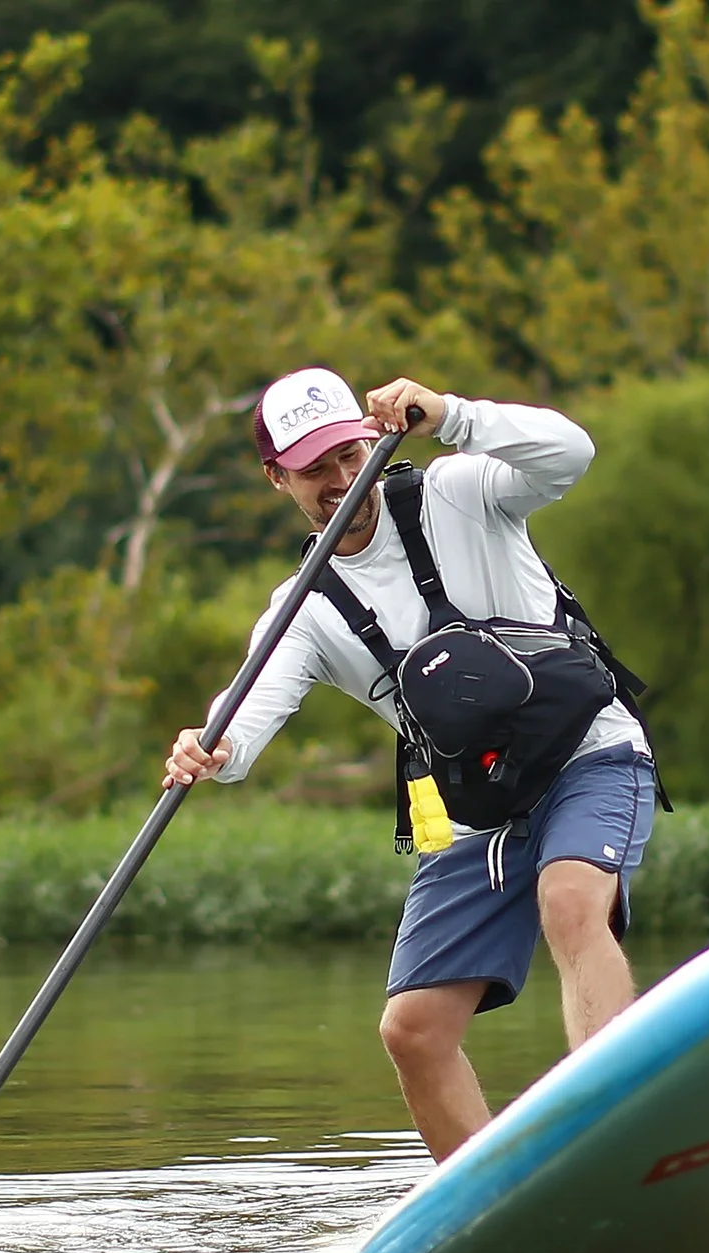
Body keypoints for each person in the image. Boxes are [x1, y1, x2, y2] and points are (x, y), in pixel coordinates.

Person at [163, 368, 658, 1162]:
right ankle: (494, 1203)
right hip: (476, 813)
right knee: (413, 1029)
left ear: (372, 440)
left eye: (348, 454)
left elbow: (572, 453)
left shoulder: (459, 491)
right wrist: (211, 749)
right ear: (276, 478)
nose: (339, 480)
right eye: (313, 467)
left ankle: (620, 1127)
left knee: (570, 903)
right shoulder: (304, 609)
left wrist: (454, 415)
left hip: (591, 755)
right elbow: (242, 722)